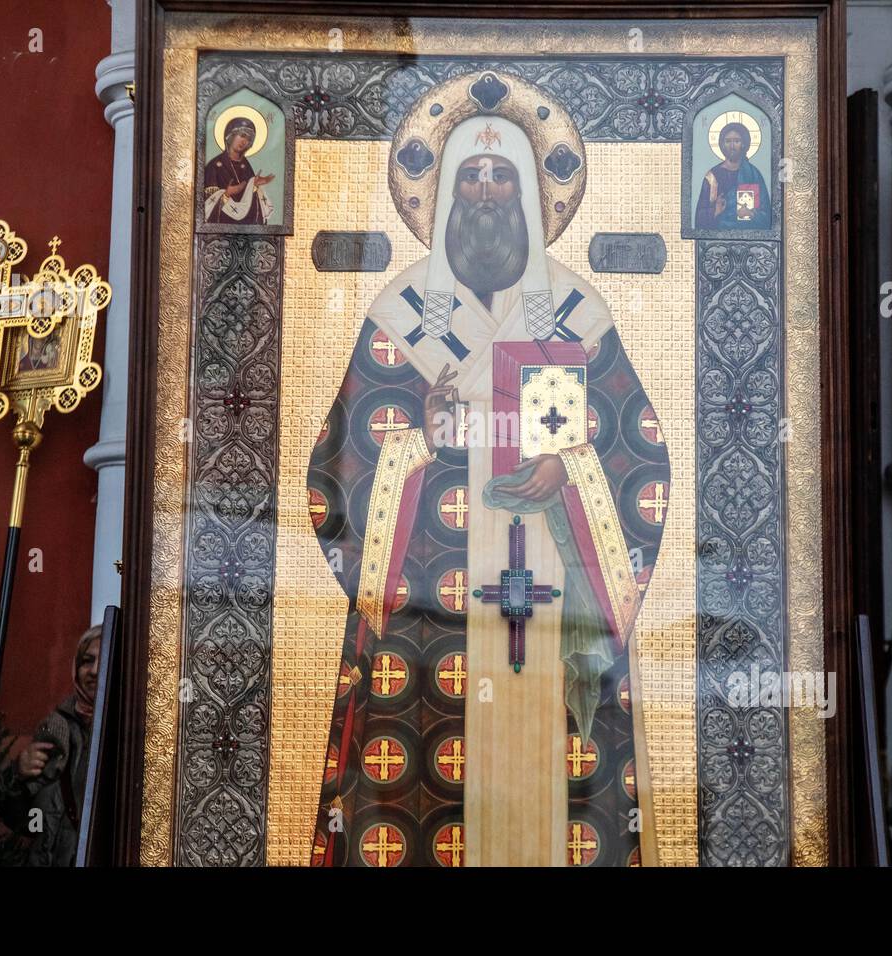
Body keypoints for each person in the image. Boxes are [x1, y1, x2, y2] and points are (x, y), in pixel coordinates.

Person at [307, 86, 670, 867]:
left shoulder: (579, 311)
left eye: (500, 178)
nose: (484, 191)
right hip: (428, 613)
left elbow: (639, 460)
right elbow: (334, 478)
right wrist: (421, 449)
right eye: (469, 175)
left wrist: (565, 468)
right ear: (441, 193)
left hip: (557, 609)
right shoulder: (398, 314)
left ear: (532, 196)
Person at [0, 625, 100, 866]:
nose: (94, 670)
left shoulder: (136, 736)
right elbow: (22, 822)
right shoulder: (55, 729)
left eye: (104, 661)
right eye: (87, 661)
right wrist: (17, 774)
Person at [695, 120, 772, 229]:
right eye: (728, 141)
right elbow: (699, 218)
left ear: (744, 143)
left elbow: (767, 217)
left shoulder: (753, 175)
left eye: (736, 141)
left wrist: (751, 214)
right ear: (722, 144)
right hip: (717, 240)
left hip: (749, 238)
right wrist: (715, 211)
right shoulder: (713, 176)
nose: (732, 146)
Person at [203, 114, 275, 225]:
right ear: (230, 136)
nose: (244, 141)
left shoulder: (245, 166)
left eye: (248, 139)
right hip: (222, 227)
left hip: (246, 228)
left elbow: (250, 203)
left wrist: (254, 185)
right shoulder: (214, 166)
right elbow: (206, 206)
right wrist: (226, 194)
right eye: (242, 135)